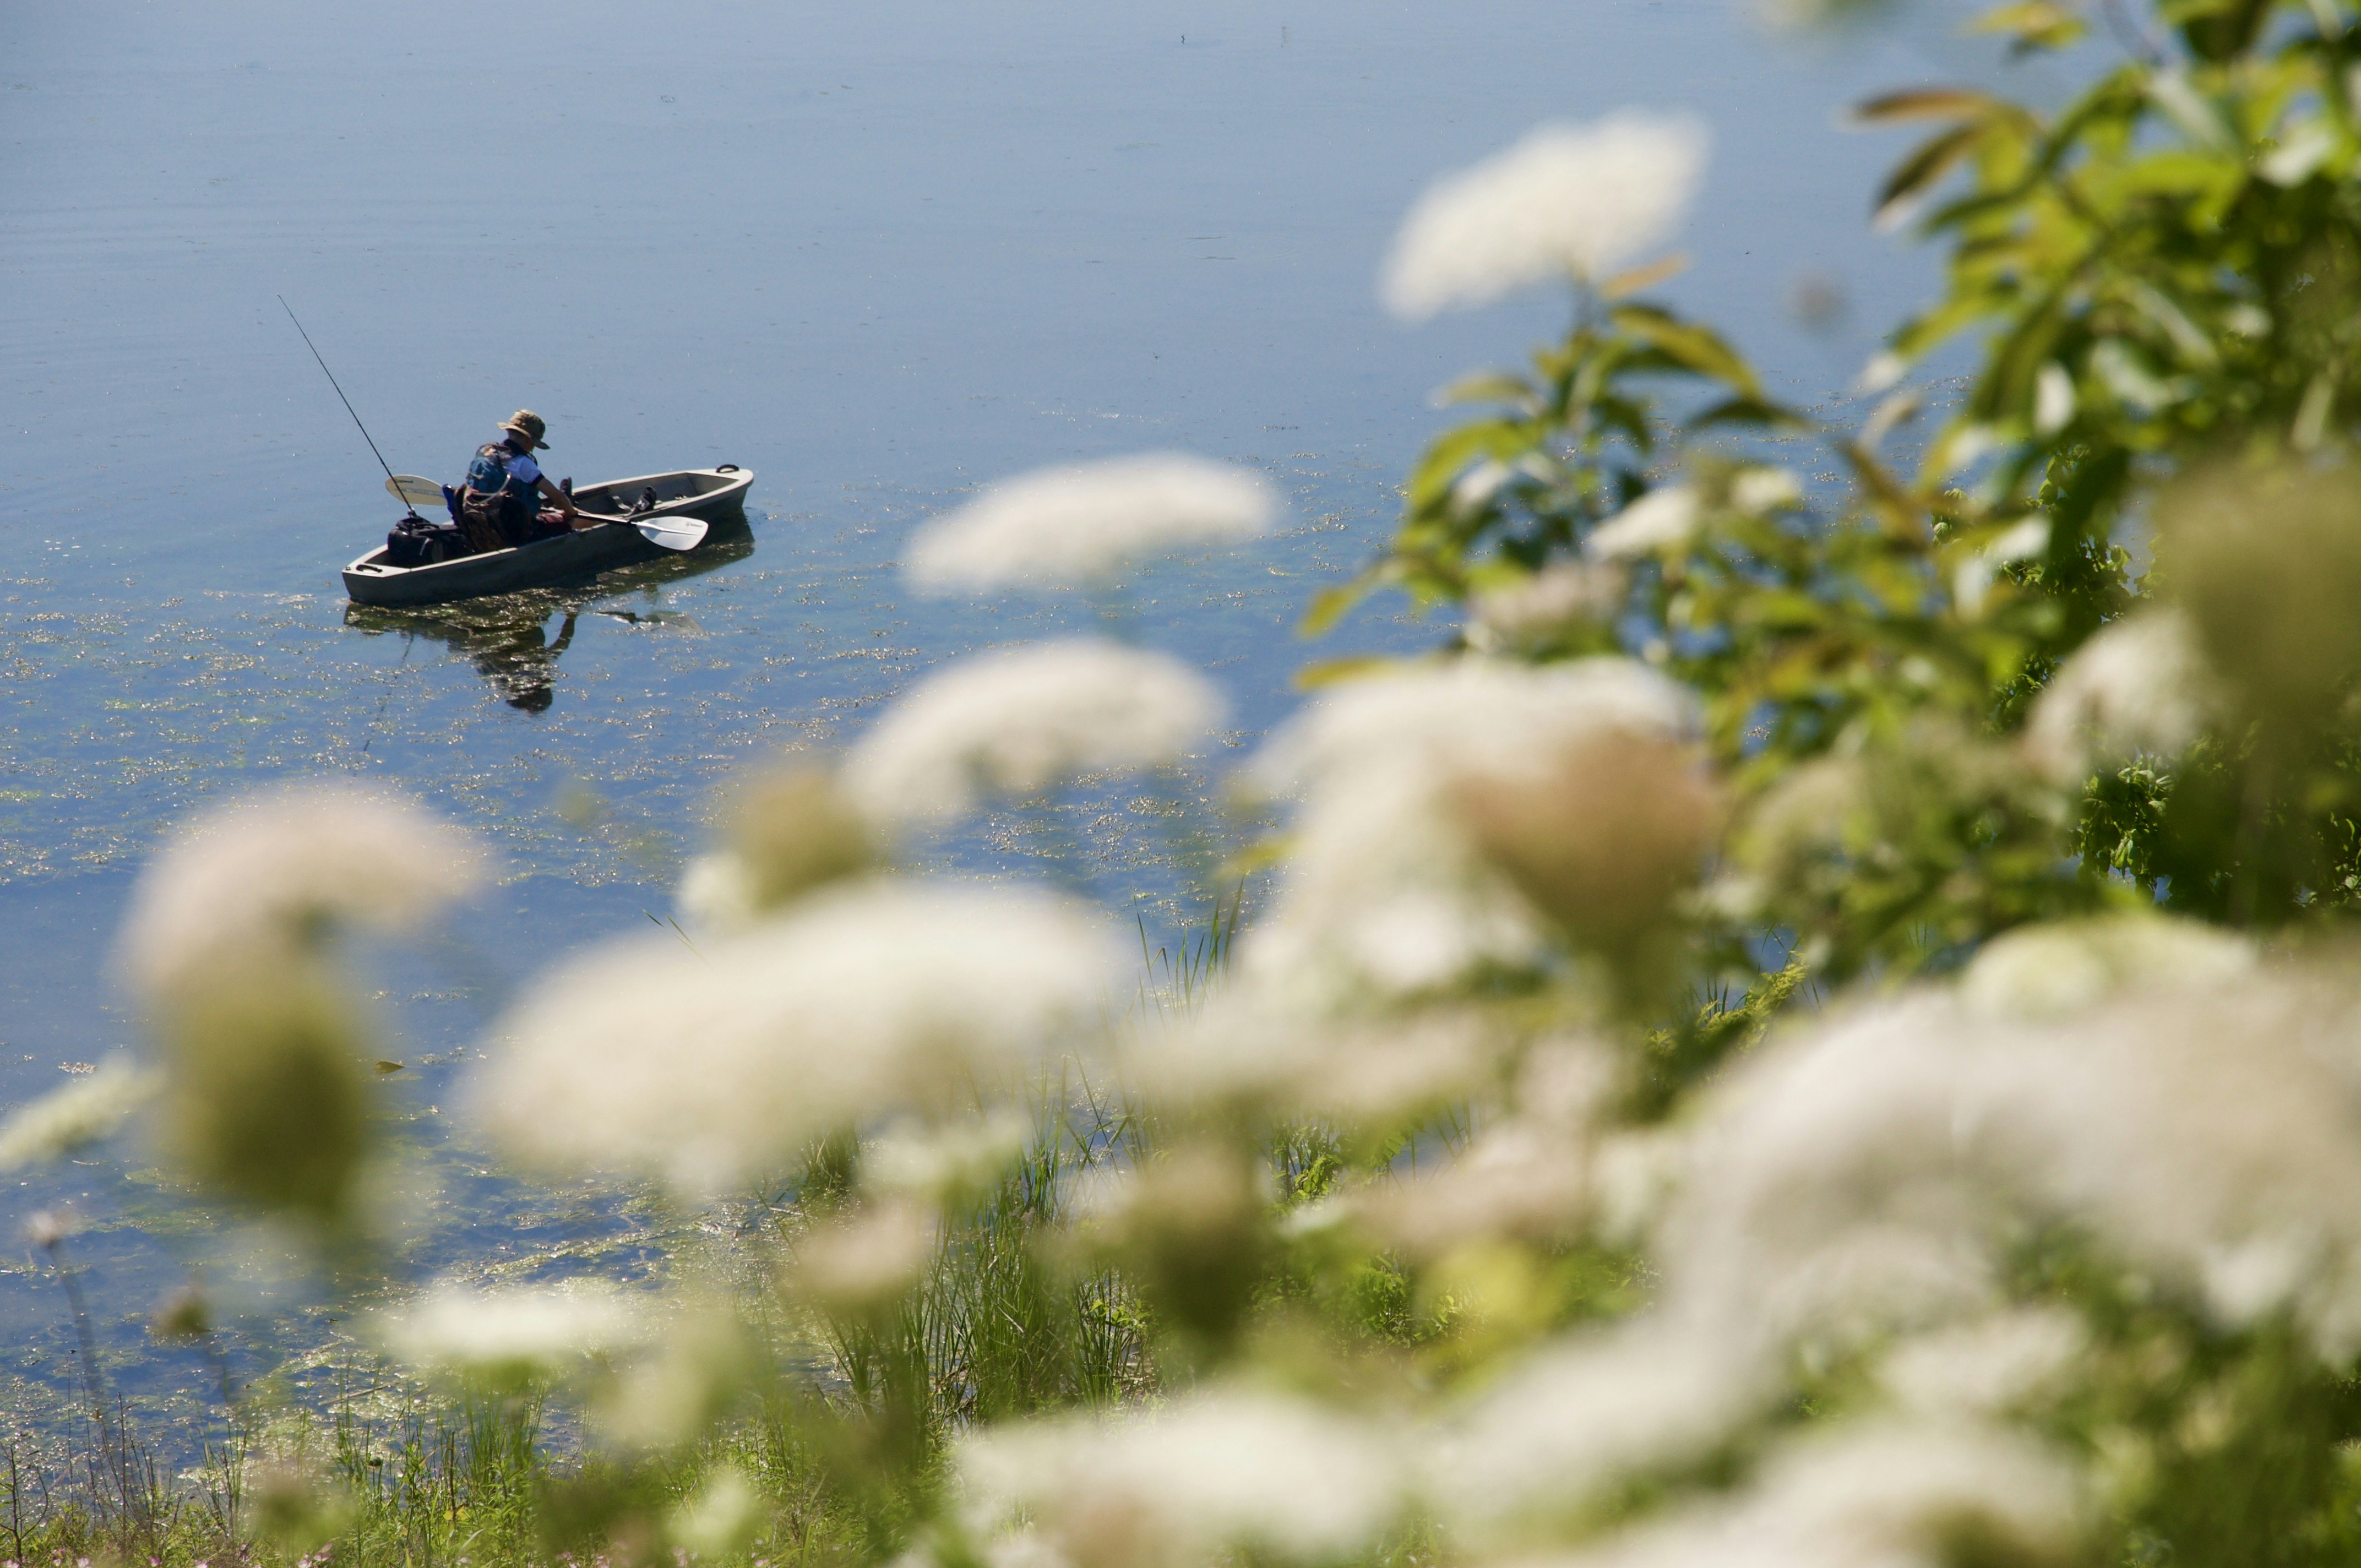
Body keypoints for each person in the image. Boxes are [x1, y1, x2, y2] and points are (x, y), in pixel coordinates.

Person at [455, 410, 581, 551]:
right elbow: (556, 496)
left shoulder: (485, 452)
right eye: (534, 443)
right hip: (511, 533)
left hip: (477, 523)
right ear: (528, 440)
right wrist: (570, 511)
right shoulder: (522, 463)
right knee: (566, 521)